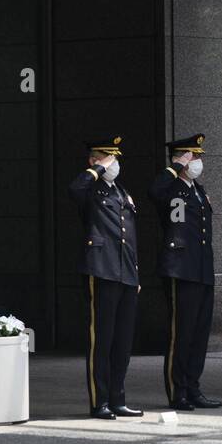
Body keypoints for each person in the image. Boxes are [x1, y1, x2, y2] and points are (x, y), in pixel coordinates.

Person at [69, 135, 141, 420]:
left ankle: (118, 399)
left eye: (115, 158)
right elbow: (74, 188)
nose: (114, 163)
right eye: (107, 157)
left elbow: (130, 237)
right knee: (102, 338)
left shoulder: (121, 192)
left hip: (125, 272)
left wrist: (136, 274)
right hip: (101, 269)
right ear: (93, 160)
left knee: (122, 341)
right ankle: (100, 402)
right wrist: (97, 169)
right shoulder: (91, 190)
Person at [149, 133, 222, 411]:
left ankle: (193, 387)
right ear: (180, 158)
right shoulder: (170, 188)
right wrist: (174, 167)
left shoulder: (198, 190)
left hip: (202, 268)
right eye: (193, 156)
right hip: (180, 269)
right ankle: (177, 390)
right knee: (182, 332)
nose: (198, 161)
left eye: (199, 156)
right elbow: (154, 191)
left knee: (199, 333)